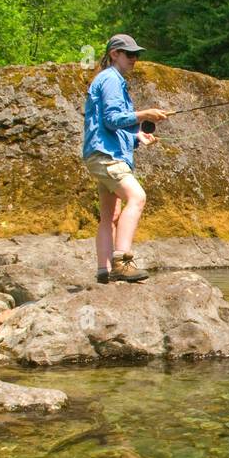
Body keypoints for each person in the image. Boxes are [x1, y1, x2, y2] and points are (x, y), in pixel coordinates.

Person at [82, 33, 168, 283]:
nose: (134, 59)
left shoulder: (110, 80)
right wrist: (144, 114)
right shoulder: (110, 79)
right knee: (137, 197)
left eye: (136, 55)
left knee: (110, 216)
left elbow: (109, 125)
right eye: (129, 54)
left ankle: (103, 270)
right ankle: (122, 261)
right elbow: (112, 119)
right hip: (107, 156)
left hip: (104, 153)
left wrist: (137, 138)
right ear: (114, 55)